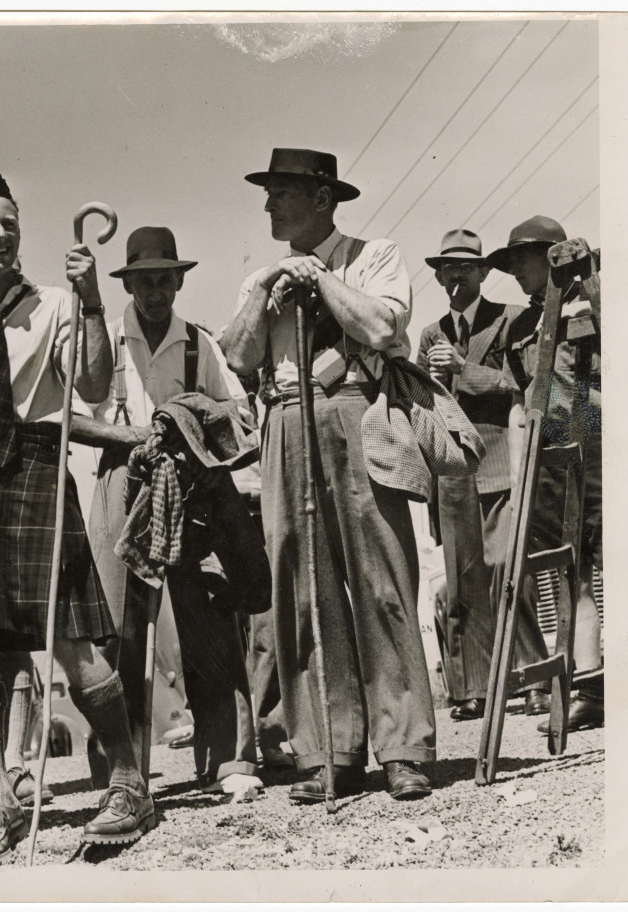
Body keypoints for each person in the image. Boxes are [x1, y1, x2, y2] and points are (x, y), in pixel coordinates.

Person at [0, 171, 153, 868]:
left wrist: (94, 300)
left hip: (36, 463)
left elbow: (98, 385)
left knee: (71, 635)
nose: (2, 235)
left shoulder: (55, 303)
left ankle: (131, 781)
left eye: (10, 222)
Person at [220, 148, 436, 803]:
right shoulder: (261, 277)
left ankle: (403, 748)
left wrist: (319, 280)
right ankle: (328, 751)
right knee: (301, 585)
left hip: (356, 409)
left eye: (281, 192)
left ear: (321, 198)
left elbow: (382, 324)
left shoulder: (375, 254)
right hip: (285, 419)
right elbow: (237, 355)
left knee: (381, 577)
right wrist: (267, 293)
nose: (267, 206)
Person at [71, 225, 260, 790]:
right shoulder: (101, 338)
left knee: (205, 615)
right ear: (128, 284)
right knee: (117, 627)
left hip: (191, 483)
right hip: (121, 482)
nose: (155, 292)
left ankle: (228, 758)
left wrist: (187, 423)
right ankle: (121, 768)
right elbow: (71, 419)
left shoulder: (199, 343)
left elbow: (240, 414)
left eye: (165, 280)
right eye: (144, 281)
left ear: (178, 281)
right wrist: (134, 438)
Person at [415, 230, 551, 722]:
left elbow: (526, 381)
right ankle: (473, 688)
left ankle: (535, 677)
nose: (455, 275)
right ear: (436, 275)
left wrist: (465, 368)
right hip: (451, 473)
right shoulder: (429, 334)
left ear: (483, 273)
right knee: (461, 578)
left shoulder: (512, 319)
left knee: (509, 570)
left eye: (465, 268)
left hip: (499, 463)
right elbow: (415, 401)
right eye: (447, 268)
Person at [486, 216, 604, 732]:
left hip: (603, 442)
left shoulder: (598, 300)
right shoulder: (517, 328)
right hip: (553, 455)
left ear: (553, 255)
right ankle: (591, 687)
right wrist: (520, 477)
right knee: (568, 570)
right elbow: (518, 402)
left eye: (523, 260)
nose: (514, 271)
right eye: (509, 263)